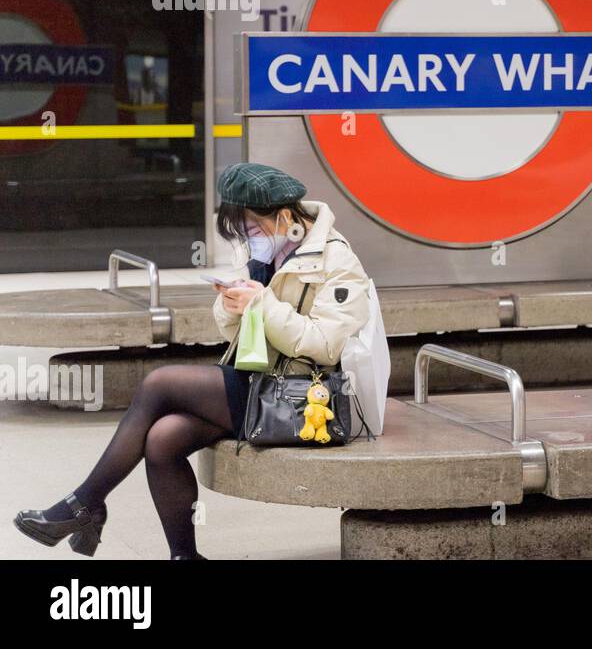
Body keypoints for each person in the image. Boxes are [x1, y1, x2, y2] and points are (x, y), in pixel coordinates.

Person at [12, 162, 371, 560]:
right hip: (260, 383)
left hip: (302, 402)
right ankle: (184, 556)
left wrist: (262, 304)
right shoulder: (274, 249)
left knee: (160, 383)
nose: (249, 242)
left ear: (285, 217)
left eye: (251, 231)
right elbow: (237, 335)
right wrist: (234, 306)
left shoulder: (337, 261)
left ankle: (85, 506)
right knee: (163, 439)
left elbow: (325, 346)